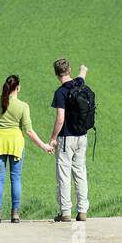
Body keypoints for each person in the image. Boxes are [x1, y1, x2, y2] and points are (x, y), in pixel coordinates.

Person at [0, 73, 53, 223]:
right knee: (15, 178)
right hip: (16, 142)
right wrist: (44, 146)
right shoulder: (23, 106)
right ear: (18, 88)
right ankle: (15, 214)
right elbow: (29, 131)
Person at [49, 57, 90, 222]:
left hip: (66, 139)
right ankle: (82, 211)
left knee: (64, 175)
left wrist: (53, 138)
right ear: (69, 70)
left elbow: (60, 118)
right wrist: (82, 68)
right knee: (80, 173)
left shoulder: (60, 92)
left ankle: (65, 212)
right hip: (82, 137)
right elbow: (83, 72)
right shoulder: (79, 84)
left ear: (56, 74)